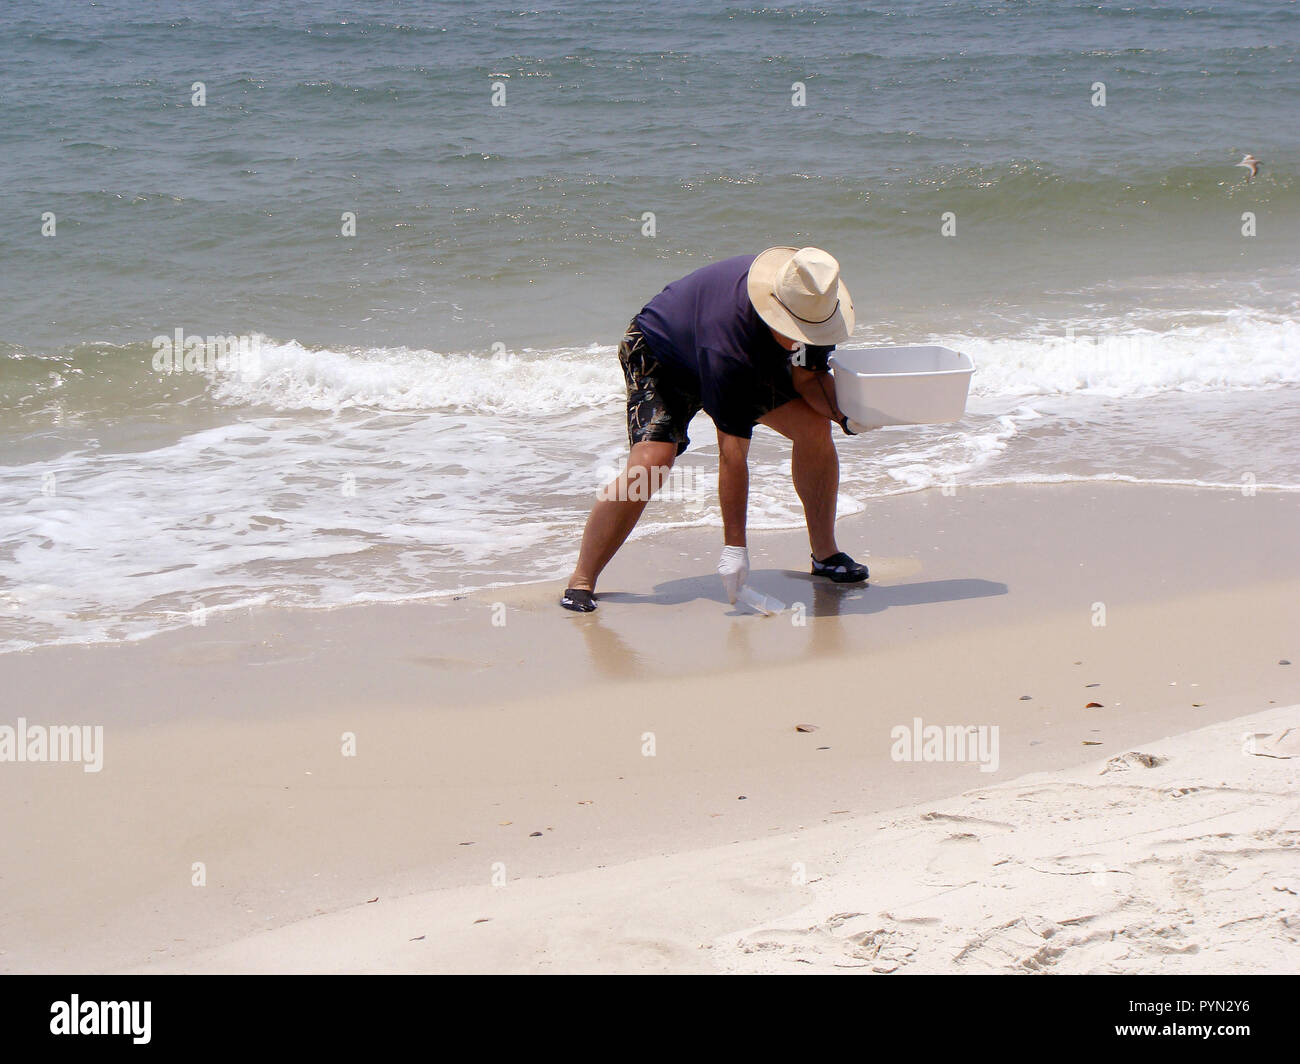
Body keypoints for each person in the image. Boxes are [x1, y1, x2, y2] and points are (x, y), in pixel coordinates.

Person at [560, 246, 870, 613]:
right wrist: (735, 549)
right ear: (773, 310)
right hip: (662, 355)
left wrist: (848, 415)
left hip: (745, 353)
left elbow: (808, 379)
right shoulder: (728, 347)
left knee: (815, 427)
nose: (797, 340)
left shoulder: (812, 301)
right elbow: (732, 454)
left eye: (805, 332)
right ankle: (581, 580)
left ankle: (825, 554)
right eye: (793, 331)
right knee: (651, 464)